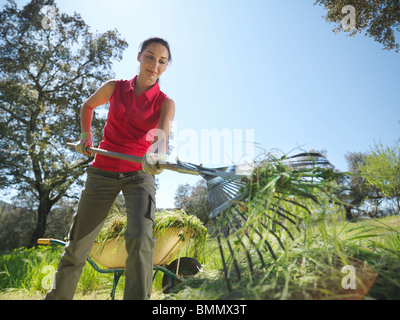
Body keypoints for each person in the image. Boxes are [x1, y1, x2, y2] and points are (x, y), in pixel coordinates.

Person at [45, 37, 175, 300]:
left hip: (139, 174)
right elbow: (88, 106)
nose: (155, 64)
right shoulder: (114, 87)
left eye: (162, 61)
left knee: (140, 237)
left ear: (166, 66)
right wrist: (85, 137)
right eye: (150, 57)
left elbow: (161, 138)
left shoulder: (165, 102)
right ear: (139, 57)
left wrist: (157, 157)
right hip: (102, 169)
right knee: (78, 243)